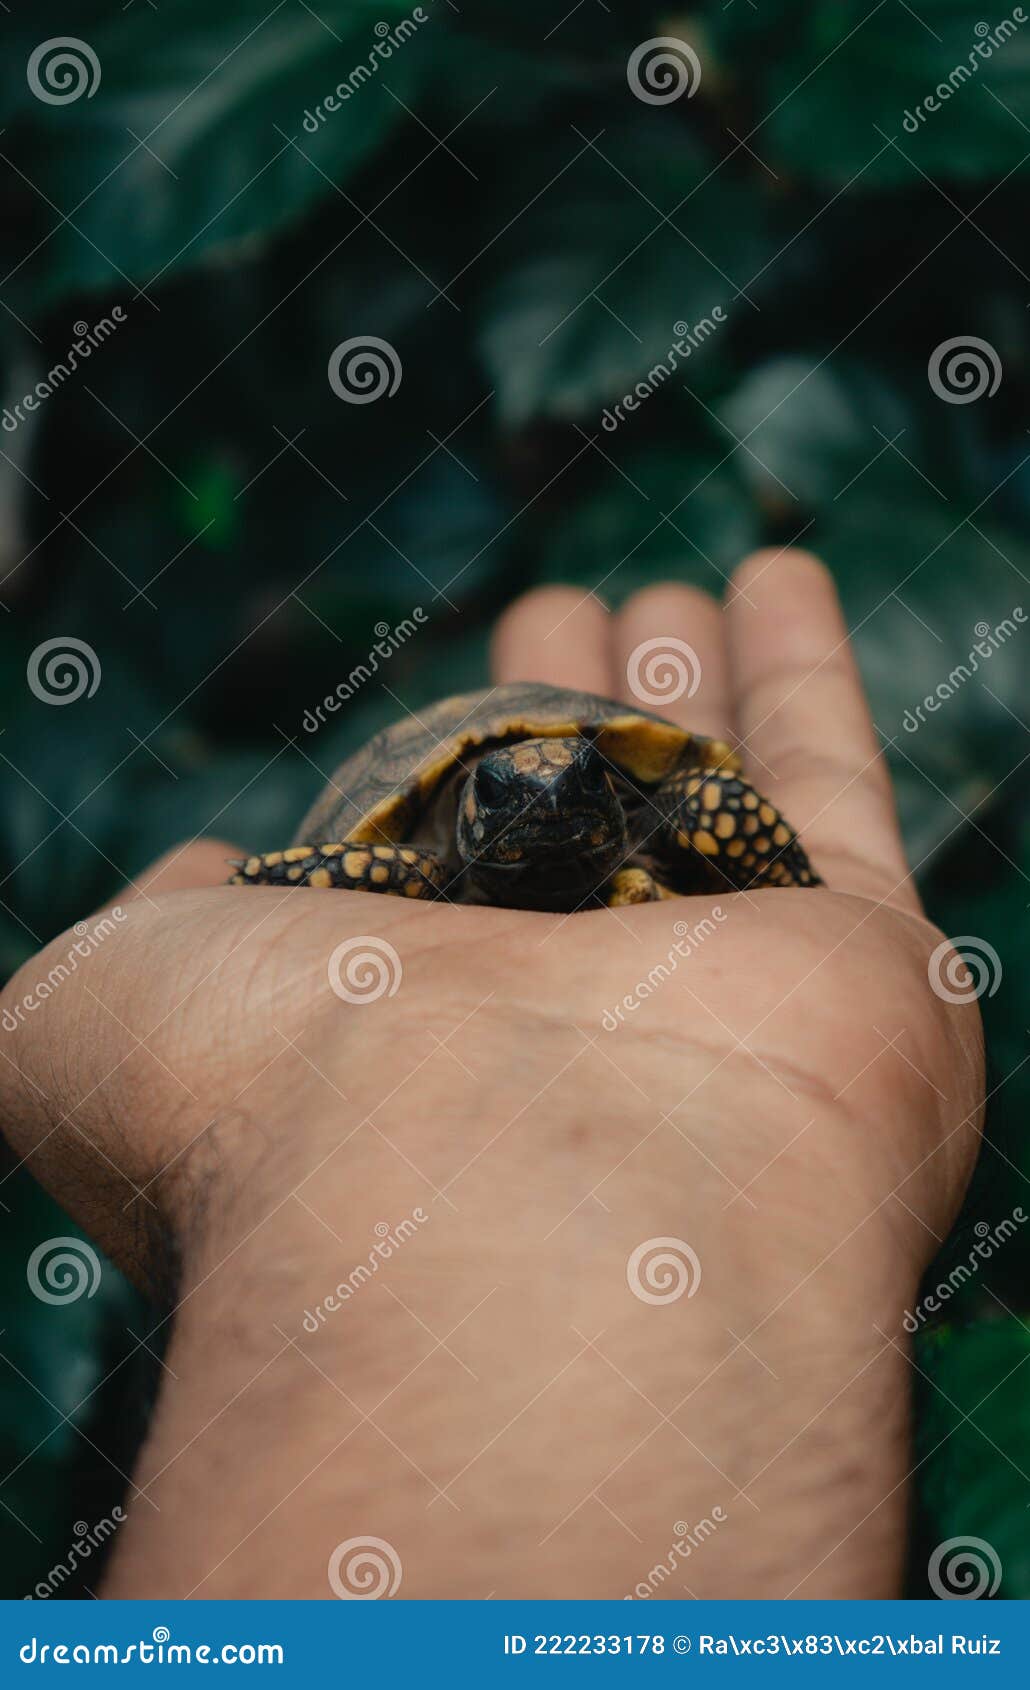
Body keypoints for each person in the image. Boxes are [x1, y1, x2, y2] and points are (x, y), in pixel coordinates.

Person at [0, 553, 984, 1599]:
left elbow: (693, 802)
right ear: (468, 808)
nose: (544, 797)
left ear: (612, 801)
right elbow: (345, 865)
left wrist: (780, 883)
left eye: (580, 786)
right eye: (505, 793)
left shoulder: (654, 817)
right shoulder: (411, 861)